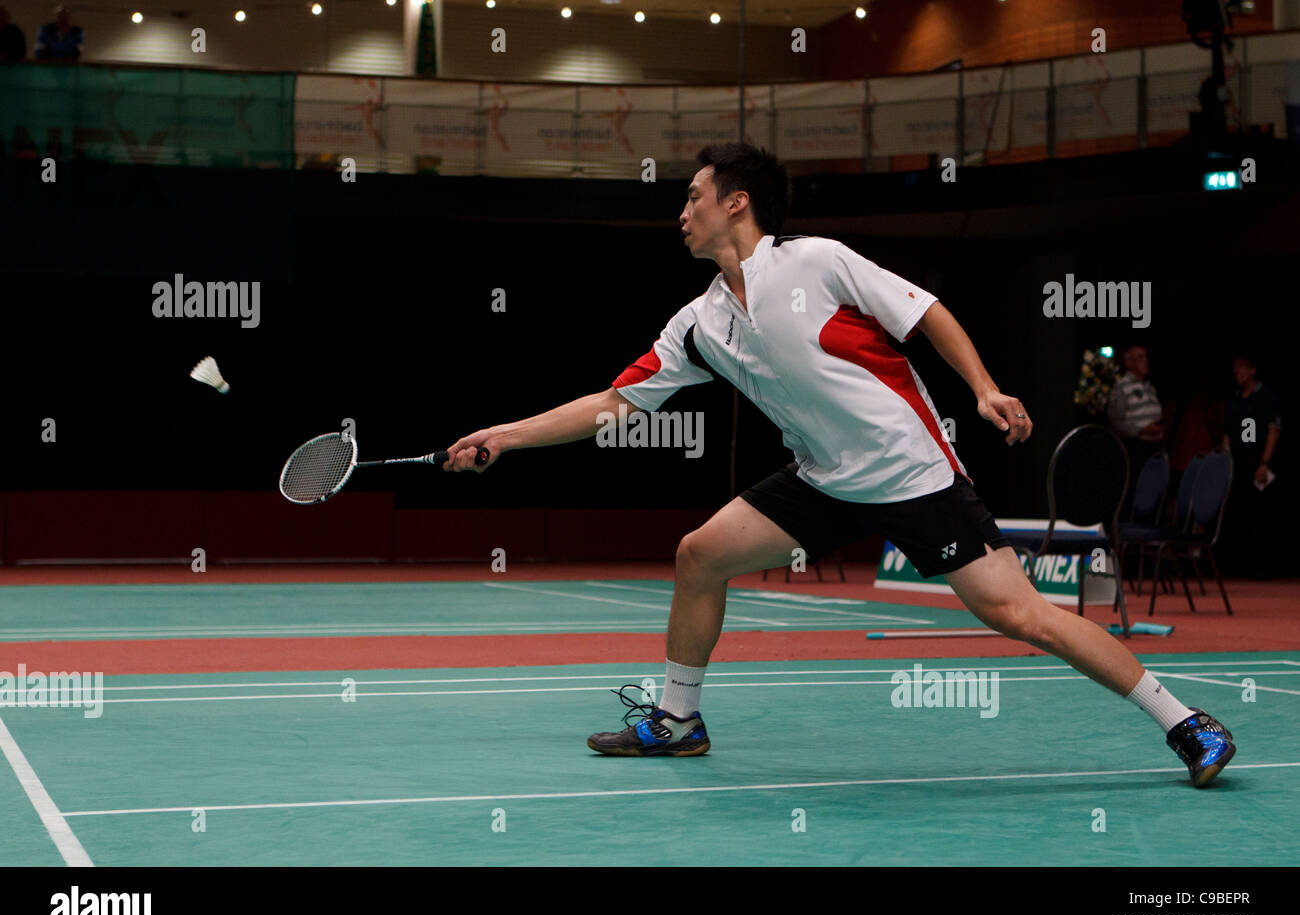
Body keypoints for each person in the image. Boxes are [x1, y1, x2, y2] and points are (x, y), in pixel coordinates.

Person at [443, 144, 1235, 788]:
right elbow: (614, 403)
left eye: (692, 196)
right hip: (821, 477)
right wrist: (506, 435)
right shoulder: (700, 322)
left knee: (1020, 616)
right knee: (698, 555)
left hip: (912, 471)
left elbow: (926, 313)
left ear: (736, 202)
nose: (679, 211)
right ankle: (678, 722)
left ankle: (1186, 723)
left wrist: (986, 390)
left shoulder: (817, 261)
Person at [1220, 353, 1282, 577]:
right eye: (1235, 369)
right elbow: (1227, 431)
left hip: (1256, 460)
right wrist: (1224, 460)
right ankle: (1235, 565)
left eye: (1242, 368)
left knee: (1257, 513)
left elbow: (1273, 429)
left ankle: (1260, 567)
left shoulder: (1265, 396)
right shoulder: (1235, 397)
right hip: (1236, 462)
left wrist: (1264, 462)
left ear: (1253, 370)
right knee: (1235, 512)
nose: (1238, 373)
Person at [1107, 345, 1169, 515]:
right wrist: (1142, 430)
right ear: (1129, 363)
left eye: (1145, 356)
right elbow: (1116, 422)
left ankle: (1151, 535)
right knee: (1135, 495)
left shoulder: (1150, 387)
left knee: (1154, 494)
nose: (1145, 361)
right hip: (1135, 450)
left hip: (1155, 450)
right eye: (1140, 357)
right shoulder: (1121, 387)